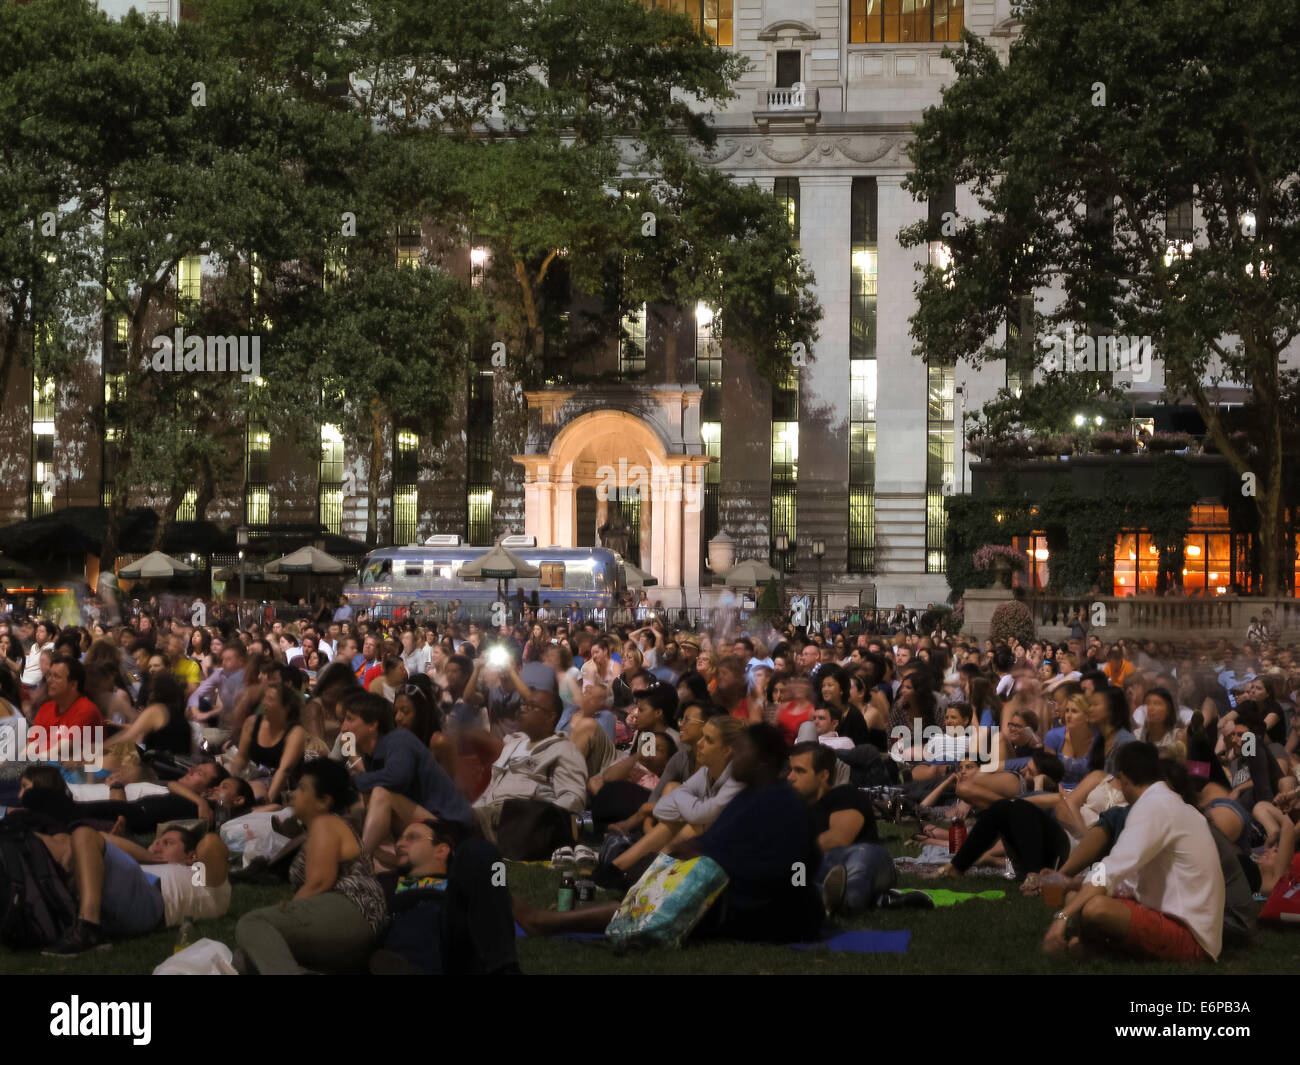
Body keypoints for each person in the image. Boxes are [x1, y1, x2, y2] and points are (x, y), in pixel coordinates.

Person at [1041, 741, 1225, 962]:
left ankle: (1095, 948)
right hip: (1173, 916)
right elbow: (1124, 880)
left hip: (1191, 937)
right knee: (1077, 896)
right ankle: (1094, 947)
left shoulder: (1154, 806)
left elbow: (1112, 869)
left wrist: (1061, 918)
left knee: (1095, 908)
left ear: (1123, 779)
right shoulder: (1163, 802)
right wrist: (1071, 884)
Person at [235, 759, 387, 974]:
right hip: (353, 930)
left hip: (352, 908)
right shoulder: (320, 827)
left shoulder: (325, 823)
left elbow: (319, 883)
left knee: (252, 923)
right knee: (245, 959)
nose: (295, 793)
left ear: (323, 801)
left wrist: (285, 913)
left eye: (302, 788)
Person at [36, 823, 230, 954]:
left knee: (83, 835)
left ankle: (88, 926)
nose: (158, 846)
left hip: (150, 901)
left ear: (191, 856)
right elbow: (104, 837)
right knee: (60, 840)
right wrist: (150, 856)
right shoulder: (147, 863)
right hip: (114, 892)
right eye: (156, 842)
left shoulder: (202, 880)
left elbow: (211, 843)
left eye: (168, 843)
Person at [369, 819, 520, 975]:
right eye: (399, 839)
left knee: (481, 850)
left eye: (412, 837)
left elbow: (496, 886)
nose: (399, 844)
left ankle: (504, 967)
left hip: (456, 940)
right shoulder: (385, 882)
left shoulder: (463, 878)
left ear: (441, 850)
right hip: (404, 955)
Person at [341, 691, 472, 858]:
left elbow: (396, 778)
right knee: (363, 805)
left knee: (381, 793)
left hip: (451, 828)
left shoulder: (398, 740)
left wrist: (353, 779)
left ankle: (360, 861)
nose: (343, 727)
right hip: (427, 823)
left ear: (373, 725)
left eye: (350, 719)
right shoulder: (372, 757)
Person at [787, 741, 893, 915]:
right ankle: (827, 898)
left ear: (823, 776)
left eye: (799, 771)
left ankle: (840, 899)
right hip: (816, 867)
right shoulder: (793, 809)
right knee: (793, 870)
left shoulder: (844, 795)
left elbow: (839, 839)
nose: (790, 777)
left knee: (862, 855)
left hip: (857, 862)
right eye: (790, 770)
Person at [472, 689, 587, 844]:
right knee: (458, 816)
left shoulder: (564, 749)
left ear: (550, 716)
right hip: (491, 813)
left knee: (460, 823)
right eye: (523, 704)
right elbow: (490, 790)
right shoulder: (511, 745)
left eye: (531, 706)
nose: (523, 708)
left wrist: (537, 818)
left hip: (522, 817)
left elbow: (573, 797)